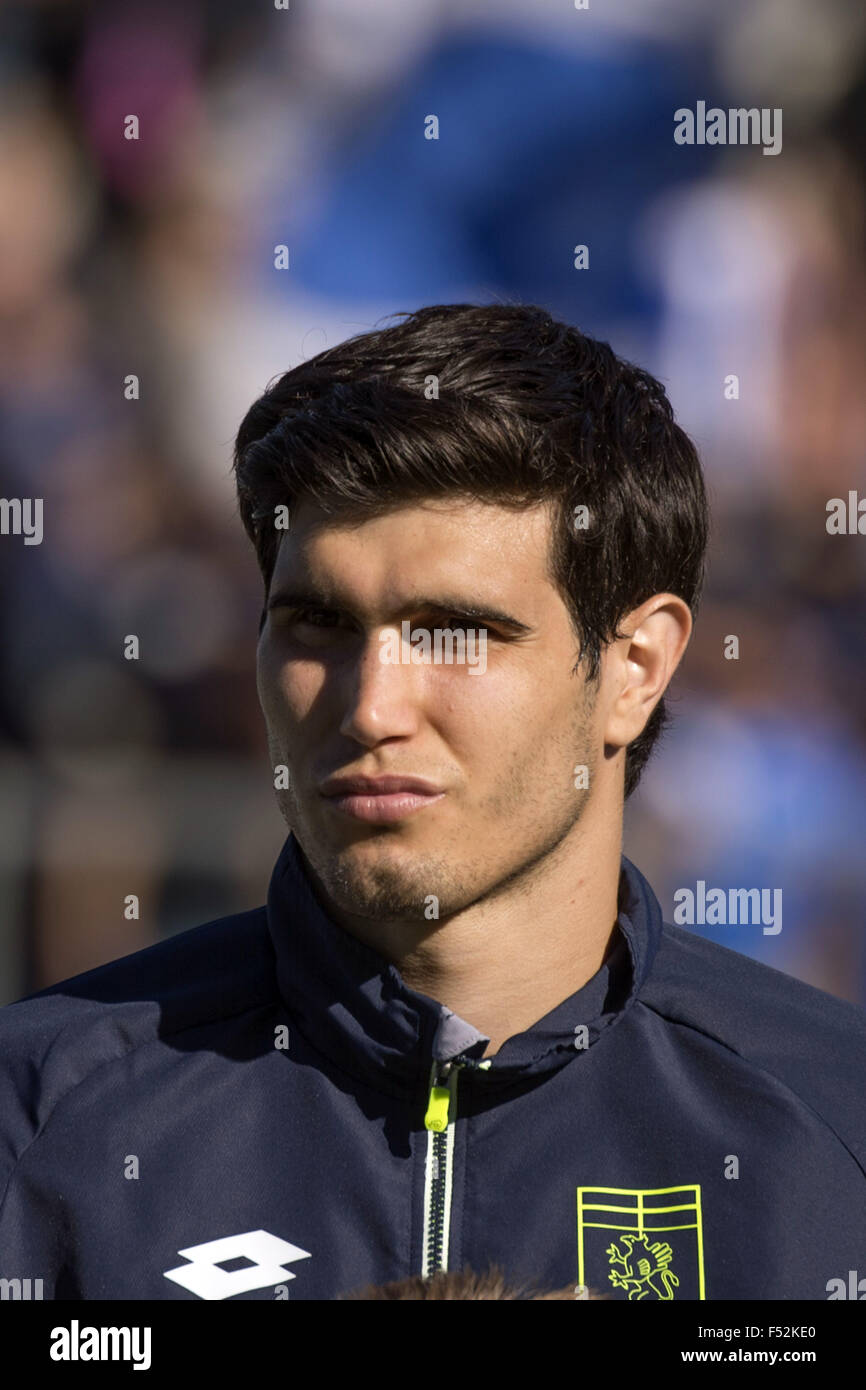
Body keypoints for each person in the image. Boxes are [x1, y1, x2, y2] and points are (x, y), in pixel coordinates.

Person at [0, 302, 863, 1302]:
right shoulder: (35, 1122)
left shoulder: (831, 1131)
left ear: (633, 669)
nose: (371, 705)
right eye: (318, 623)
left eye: (453, 630)